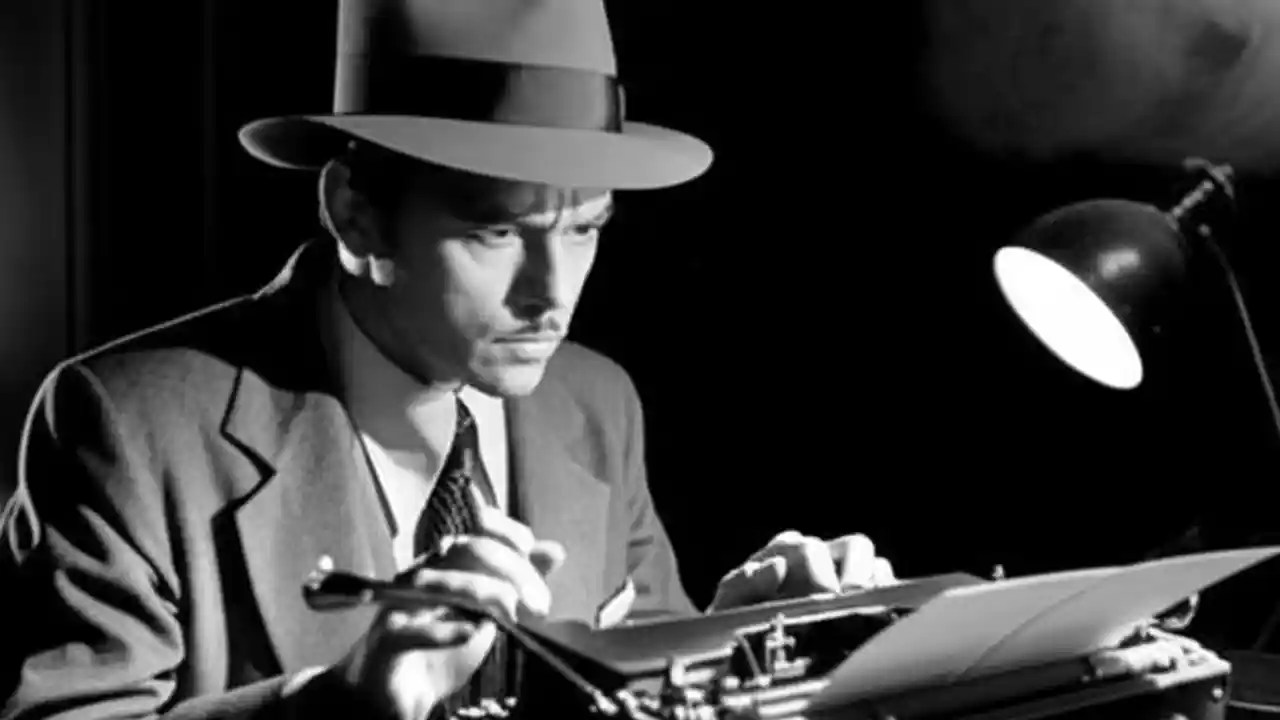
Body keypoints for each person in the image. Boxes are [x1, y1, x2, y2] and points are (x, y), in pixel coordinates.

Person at [0, 1, 897, 718]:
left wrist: (739, 643)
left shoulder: (597, 403)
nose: (554, 293)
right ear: (354, 212)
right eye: (497, 230)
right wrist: (343, 707)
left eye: (585, 231)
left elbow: (634, 687)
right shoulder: (125, 423)